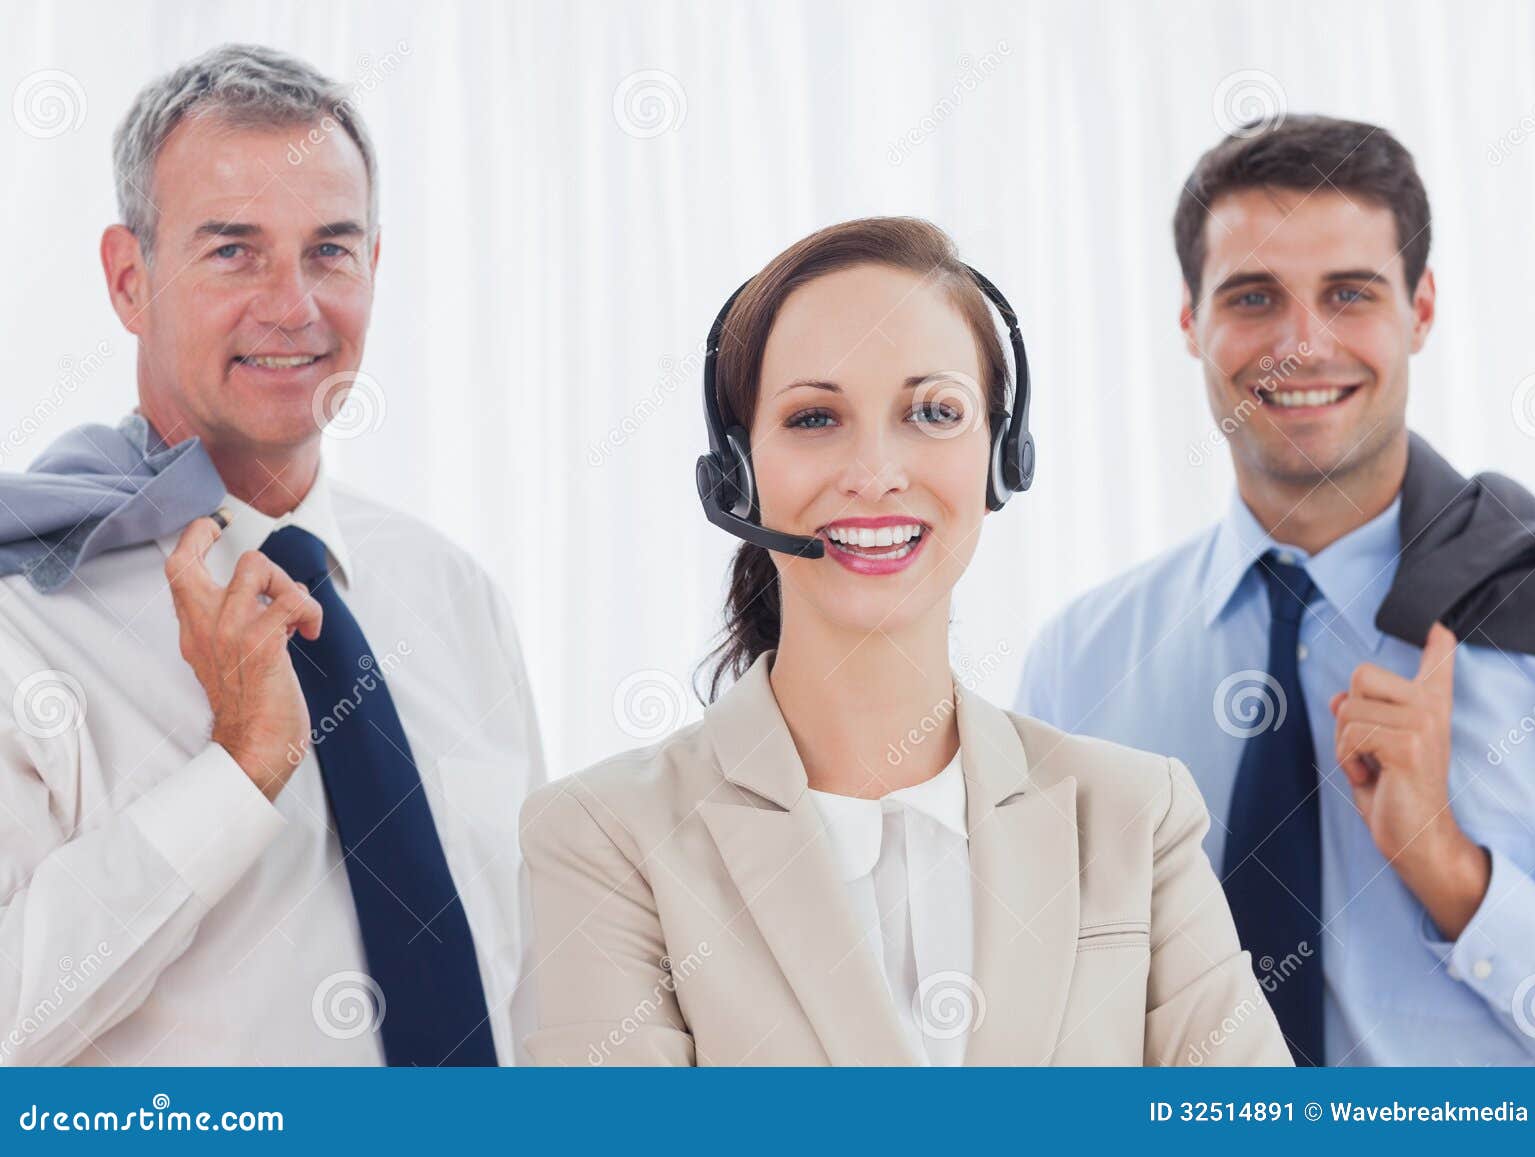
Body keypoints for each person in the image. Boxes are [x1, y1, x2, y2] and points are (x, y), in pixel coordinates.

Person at [519, 216, 1290, 1066]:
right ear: (737, 472)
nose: (876, 470)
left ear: (1002, 456)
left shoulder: (1133, 818)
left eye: (932, 411)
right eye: (815, 417)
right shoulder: (607, 839)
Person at [0, 44, 544, 1066]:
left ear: (374, 268)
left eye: (330, 251)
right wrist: (240, 766)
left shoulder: (453, 593)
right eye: (234, 250)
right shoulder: (23, 621)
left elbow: (532, 982)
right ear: (130, 279)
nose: (293, 306)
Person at [1018, 115, 1535, 1067]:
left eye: (1349, 293)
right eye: (1253, 296)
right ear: (1190, 321)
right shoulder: (1081, 664)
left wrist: (1453, 871)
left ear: (1420, 311)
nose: (1299, 343)